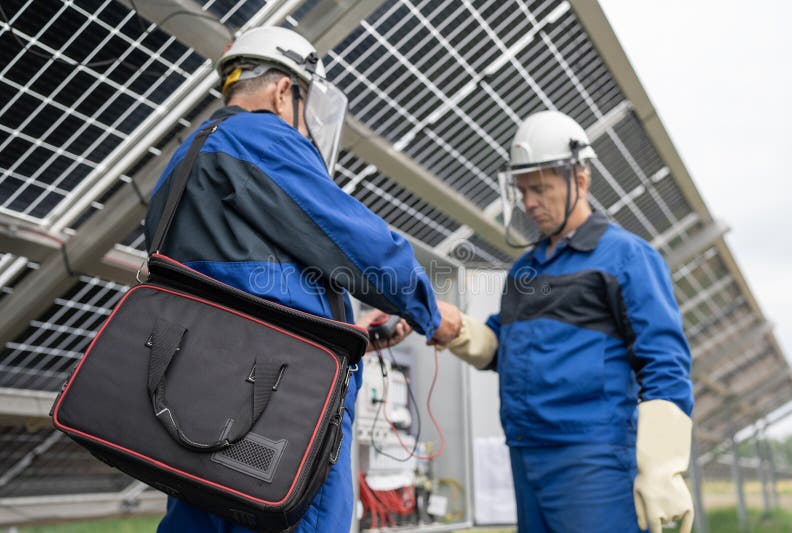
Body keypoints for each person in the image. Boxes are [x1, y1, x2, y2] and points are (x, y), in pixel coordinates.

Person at [143, 26, 460, 533]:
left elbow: (239, 295)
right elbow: (359, 245)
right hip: (276, 414)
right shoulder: (261, 140)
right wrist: (429, 311)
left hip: (195, 405)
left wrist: (356, 336)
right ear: (283, 90)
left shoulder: (181, 164)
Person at [439, 110, 694, 533]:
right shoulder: (524, 271)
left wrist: (662, 467)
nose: (529, 203)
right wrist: (450, 326)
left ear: (580, 179)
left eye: (540, 188)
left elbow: (664, 362)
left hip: (593, 461)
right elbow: (501, 348)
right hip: (525, 452)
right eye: (522, 190)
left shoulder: (627, 257)